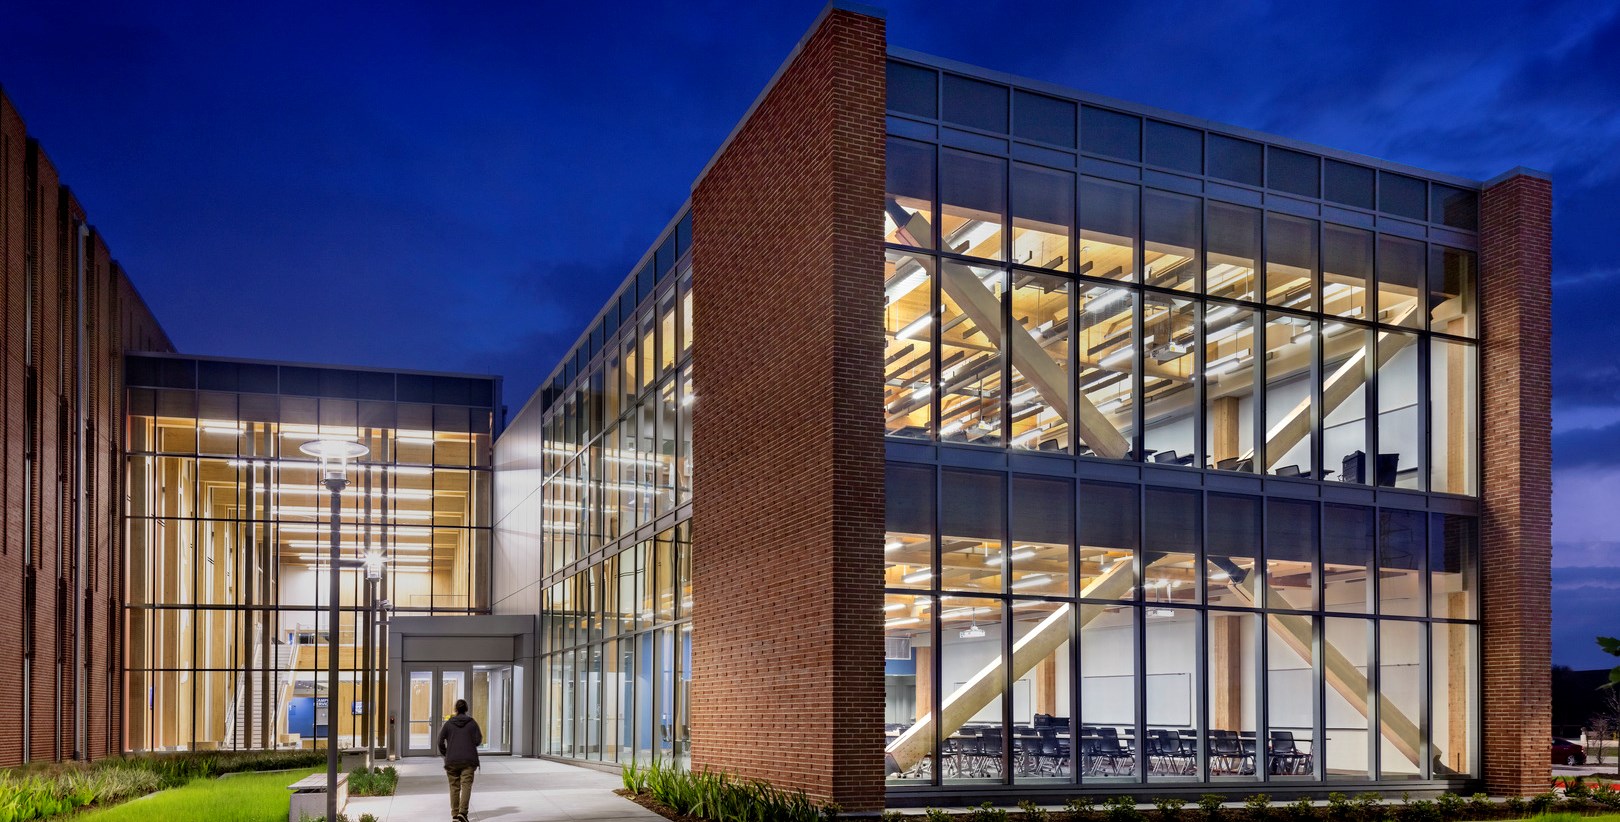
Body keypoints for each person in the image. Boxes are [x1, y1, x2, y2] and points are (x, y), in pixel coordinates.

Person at [437, 698, 482, 822]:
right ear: (466, 709)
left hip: (452, 761)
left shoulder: (449, 723)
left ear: (456, 709)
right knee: (466, 785)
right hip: (468, 760)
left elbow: (439, 741)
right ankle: (463, 812)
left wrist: (446, 753)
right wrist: (468, 742)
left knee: (454, 787)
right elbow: (478, 740)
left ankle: (455, 814)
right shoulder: (472, 723)